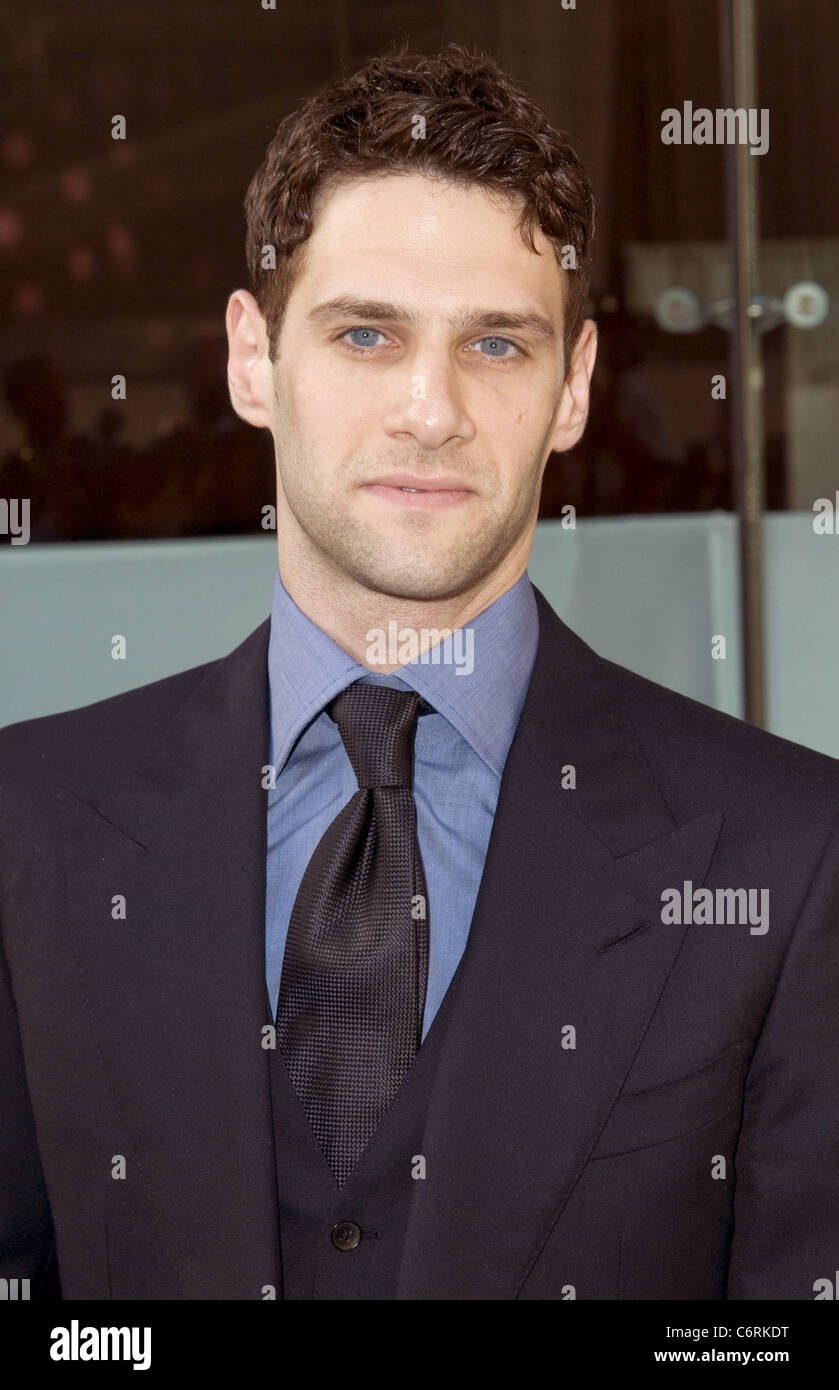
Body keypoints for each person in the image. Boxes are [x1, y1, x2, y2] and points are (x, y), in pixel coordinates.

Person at [1, 41, 838, 1303]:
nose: (429, 409)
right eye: (365, 334)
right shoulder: (30, 823)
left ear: (573, 387)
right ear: (250, 359)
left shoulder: (788, 853)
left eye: (496, 345)